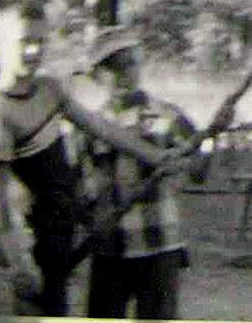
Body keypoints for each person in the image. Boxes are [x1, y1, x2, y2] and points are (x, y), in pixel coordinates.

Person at [0, 3, 176, 317]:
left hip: (63, 228)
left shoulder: (48, 88)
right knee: (40, 309)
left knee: (60, 307)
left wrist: (155, 155)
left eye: (40, 42)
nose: (32, 51)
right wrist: (16, 257)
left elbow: (103, 129)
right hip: (31, 236)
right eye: (23, 42)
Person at [81, 26, 207, 321]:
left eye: (131, 62)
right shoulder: (88, 126)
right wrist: (91, 218)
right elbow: (81, 185)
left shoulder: (168, 117)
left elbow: (200, 167)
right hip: (110, 249)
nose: (125, 73)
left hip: (159, 246)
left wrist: (186, 160)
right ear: (98, 74)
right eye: (114, 66)